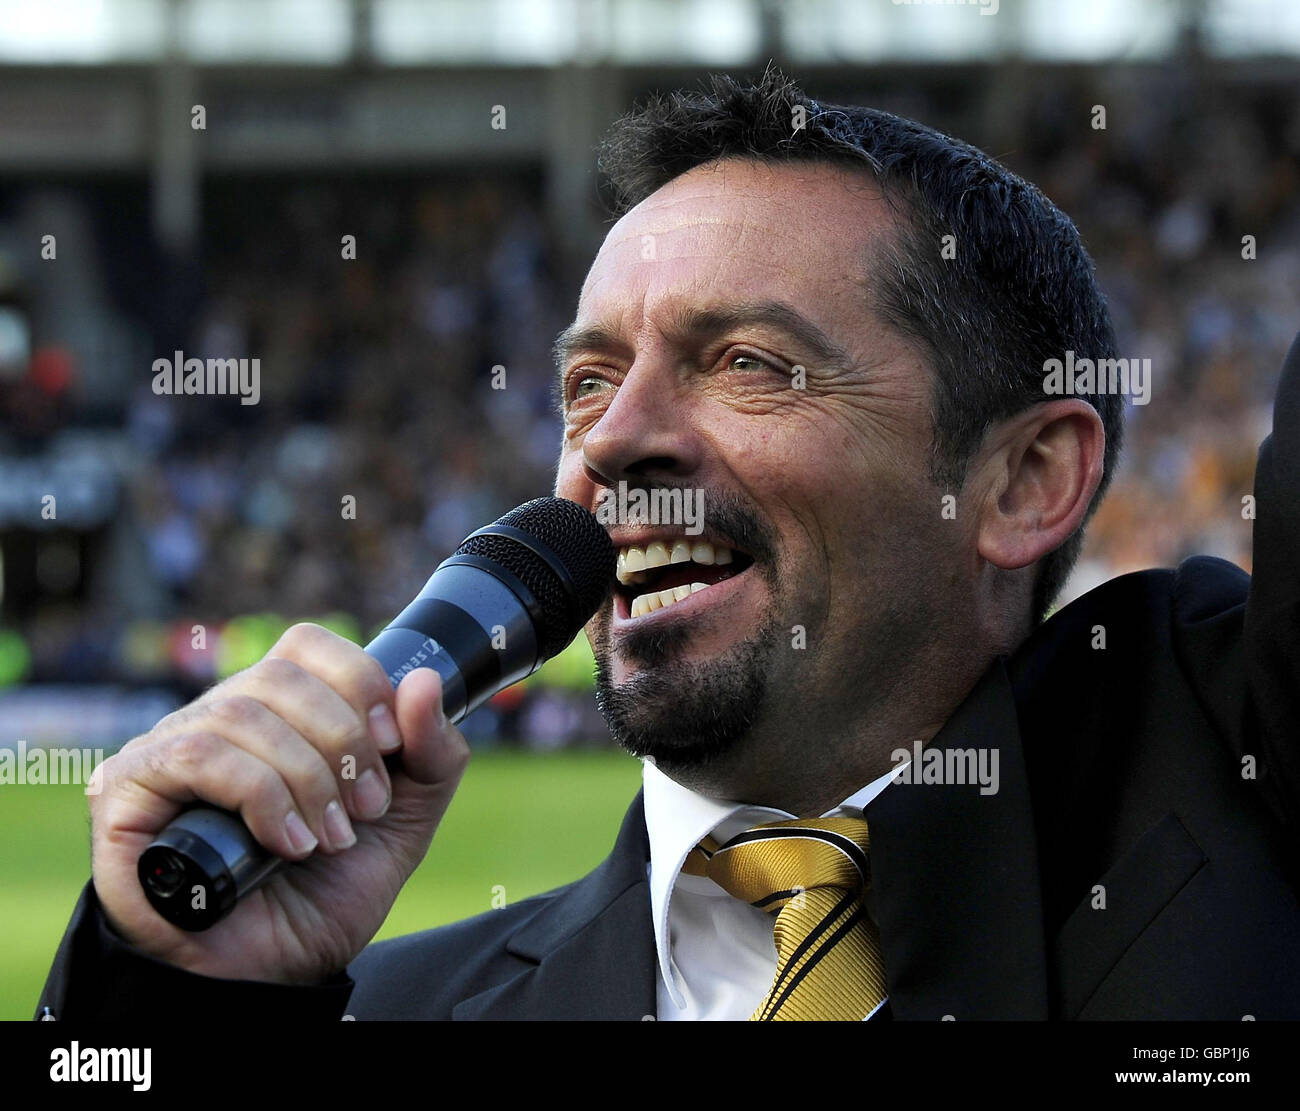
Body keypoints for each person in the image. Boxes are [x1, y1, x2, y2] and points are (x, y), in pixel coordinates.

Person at [37, 69, 1300, 1021]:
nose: (614, 439)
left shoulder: (1242, 802)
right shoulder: (390, 1007)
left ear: (1024, 480)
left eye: (747, 363)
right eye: (586, 384)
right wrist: (169, 999)